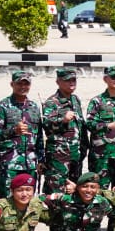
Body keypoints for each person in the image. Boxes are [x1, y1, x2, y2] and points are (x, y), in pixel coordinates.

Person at [0, 71, 42, 198]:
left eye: (26, 84)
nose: (23, 87)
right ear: (12, 84)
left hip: (30, 163)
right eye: (19, 83)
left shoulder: (34, 107)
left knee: (28, 200)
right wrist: (13, 131)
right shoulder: (2, 107)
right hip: (9, 163)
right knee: (7, 200)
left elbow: (39, 136)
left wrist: (41, 159)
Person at [41, 68, 84, 196]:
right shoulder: (51, 102)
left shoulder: (75, 100)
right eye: (67, 80)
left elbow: (80, 127)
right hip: (58, 157)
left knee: (75, 191)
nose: (71, 83)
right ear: (58, 82)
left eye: (73, 80)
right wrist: (62, 120)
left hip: (75, 155)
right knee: (56, 192)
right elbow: (47, 126)